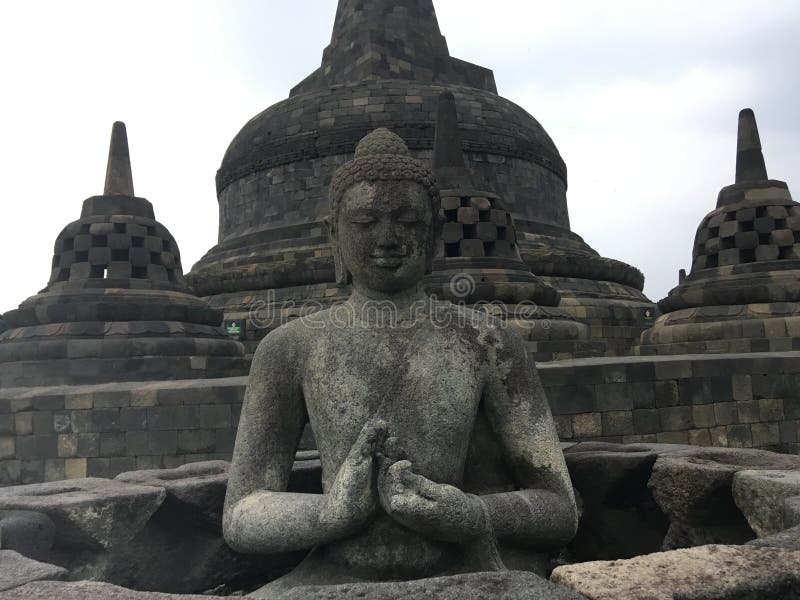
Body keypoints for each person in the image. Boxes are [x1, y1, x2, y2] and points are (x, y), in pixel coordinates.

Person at [223, 128, 577, 598]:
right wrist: (330, 515)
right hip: (330, 579)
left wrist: (473, 515)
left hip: (466, 578)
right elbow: (242, 512)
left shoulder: (488, 342)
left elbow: (559, 507)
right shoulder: (289, 348)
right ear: (335, 235)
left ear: (433, 237)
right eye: (366, 221)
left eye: (408, 222)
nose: (387, 239)